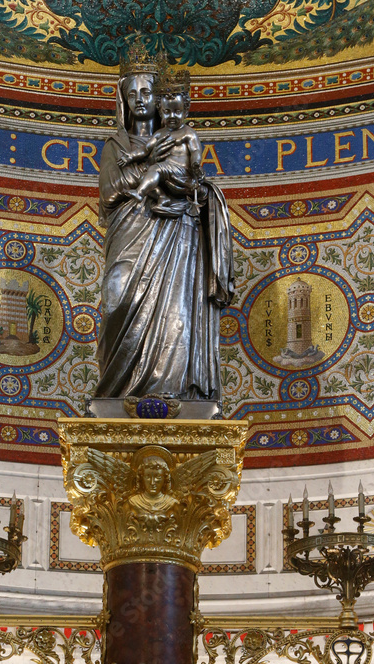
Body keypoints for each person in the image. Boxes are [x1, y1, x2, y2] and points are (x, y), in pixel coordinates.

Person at [94, 45, 234, 402]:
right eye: (132, 94)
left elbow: (194, 184)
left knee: (176, 313)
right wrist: (149, 166)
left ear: (160, 99)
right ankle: (115, 390)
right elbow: (109, 191)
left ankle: (170, 388)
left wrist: (196, 189)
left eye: (147, 92)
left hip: (175, 234)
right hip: (129, 231)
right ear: (124, 101)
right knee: (116, 298)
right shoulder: (116, 146)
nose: (140, 100)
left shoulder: (179, 140)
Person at [118, 73, 204, 214]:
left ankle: (140, 193)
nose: (172, 116)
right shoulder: (159, 134)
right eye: (167, 112)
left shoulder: (188, 133)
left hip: (181, 172)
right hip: (164, 172)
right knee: (144, 177)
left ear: (185, 112)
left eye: (177, 111)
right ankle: (162, 198)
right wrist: (130, 156)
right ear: (160, 111)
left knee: (155, 170)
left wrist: (195, 164)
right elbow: (145, 149)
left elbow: (195, 151)